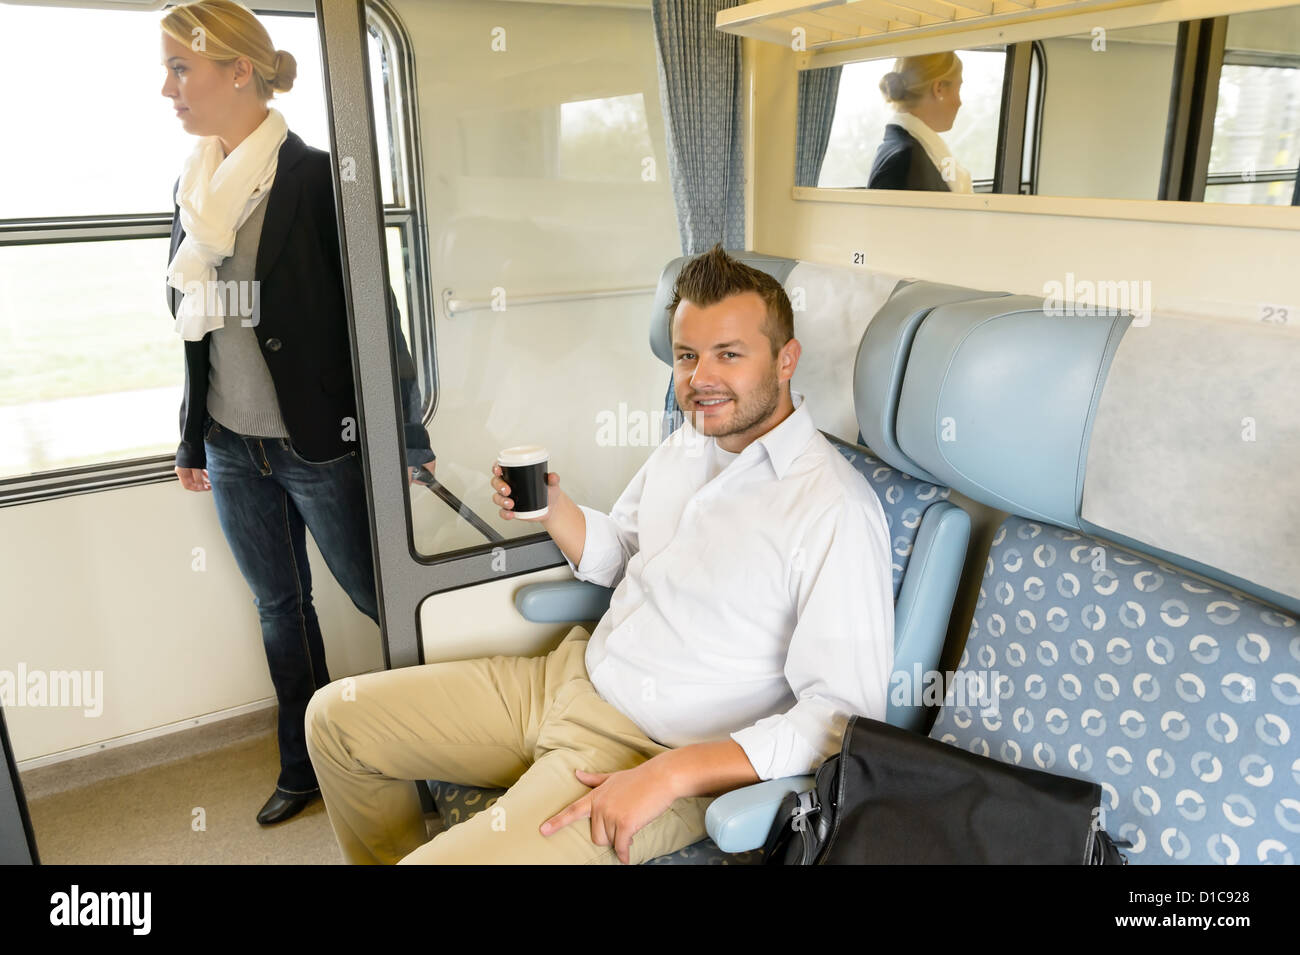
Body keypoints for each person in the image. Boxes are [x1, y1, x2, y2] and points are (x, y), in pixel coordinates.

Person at [304, 245, 895, 864]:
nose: (701, 378)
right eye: (687, 355)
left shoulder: (832, 509)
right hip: (570, 679)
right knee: (334, 722)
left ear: (786, 359)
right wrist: (553, 509)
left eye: (729, 354)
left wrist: (671, 775)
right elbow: (623, 553)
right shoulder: (689, 444)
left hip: (651, 752)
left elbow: (840, 719)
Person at [160, 0, 435, 826]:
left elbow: (375, 310)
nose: (168, 88)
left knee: (382, 598)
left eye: (181, 68)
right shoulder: (192, 187)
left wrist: (405, 430)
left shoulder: (316, 178)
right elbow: (192, 327)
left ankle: (441, 750)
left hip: (319, 443)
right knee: (280, 609)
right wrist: (192, 436)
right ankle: (305, 762)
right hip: (232, 443)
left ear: (239, 70)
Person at [868, 52, 973, 193]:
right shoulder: (906, 161)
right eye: (958, 89)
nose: (959, 102)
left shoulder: (905, 151)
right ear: (939, 88)